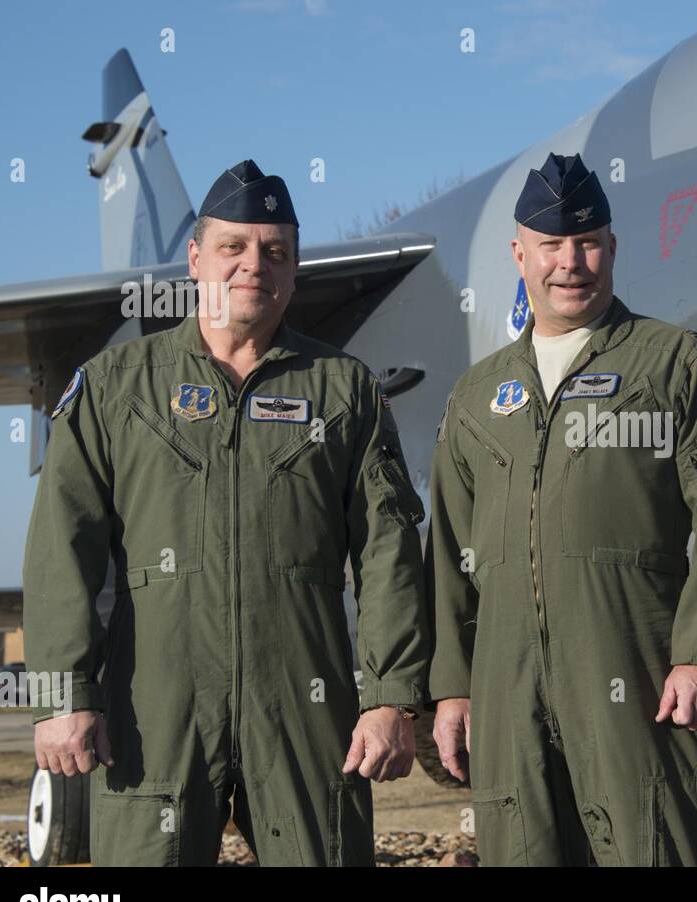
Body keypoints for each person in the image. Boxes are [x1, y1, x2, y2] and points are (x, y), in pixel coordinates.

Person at [25, 159, 430, 866]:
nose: (253, 266)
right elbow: (63, 548)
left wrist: (392, 695)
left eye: (274, 252)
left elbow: (387, 549)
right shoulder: (118, 388)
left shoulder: (343, 390)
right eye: (233, 248)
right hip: (155, 713)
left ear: (295, 269)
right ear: (195, 258)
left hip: (306, 715)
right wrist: (64, 693)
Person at [426, 153, 697, 865]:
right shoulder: (478, 396)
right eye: (551, 246)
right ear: (520, 255)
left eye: (587, 243)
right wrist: (452, 686)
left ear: (612, 247)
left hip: (633, 671)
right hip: (506, 686)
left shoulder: (674, 363)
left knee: (658, 840)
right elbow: (450, 556)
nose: (570, 263)